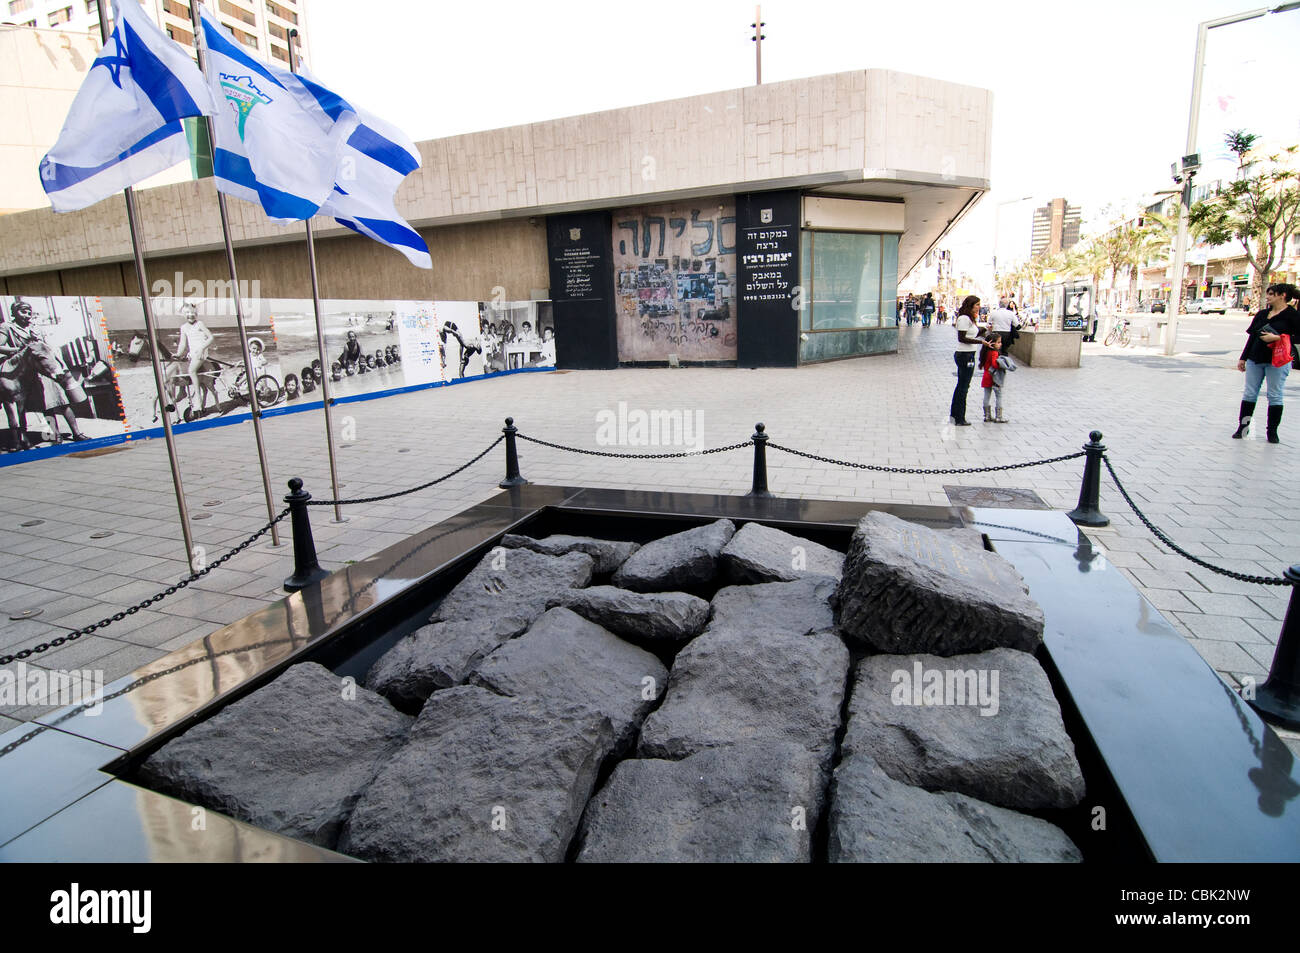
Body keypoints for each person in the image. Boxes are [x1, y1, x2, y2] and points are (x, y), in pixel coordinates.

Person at [1233, 282, 1298, 443]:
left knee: (1275, 395)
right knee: (1249, 393)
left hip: (1277, 360)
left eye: (1271, 294)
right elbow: (1252, 337)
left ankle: (1272, 432)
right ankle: (1243, 428)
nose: (1267, 297)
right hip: (1256, 358)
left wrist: (1278, 337)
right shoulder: (1262, 314)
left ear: (1282, 295)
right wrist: (1243, 357)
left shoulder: (1293, 315)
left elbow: (1298, 337)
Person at [949, 295, 986, 426]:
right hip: (965, 355)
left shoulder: (970, 319)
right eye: (976, 304)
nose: (978, 307)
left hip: (969, 353)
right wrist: (981, 342)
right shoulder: (964, 318)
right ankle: (959, 417)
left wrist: (982, 331)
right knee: (963, 387)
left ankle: (955, 415)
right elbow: (962, 338)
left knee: (963, 385)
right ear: (970, 305)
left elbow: (970, 335)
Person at [175, 303, 215, 417]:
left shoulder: (200, 324)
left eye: (192, 313)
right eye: (187, 313)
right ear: (183, 315)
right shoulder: (183, 327)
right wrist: (178, 354)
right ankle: (182, 392)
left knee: (191, 370)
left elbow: (211, 338)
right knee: (181, 367)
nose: (190, 315)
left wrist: (202, 348)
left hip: (201, 352)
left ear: (196, 314)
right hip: (192, 353)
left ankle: (197, 400)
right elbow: (183, 343)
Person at [980, 332, 1016, 423]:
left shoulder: (985, 352)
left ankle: (987, 415)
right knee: (998, 395)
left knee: (986, 396)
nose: (1001, 344)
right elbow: (995, 365)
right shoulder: (994, 353)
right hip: (994, 377)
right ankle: (999, 416)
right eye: (999, 342)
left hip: (986, 376)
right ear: (992, 343)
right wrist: (1001, 364)